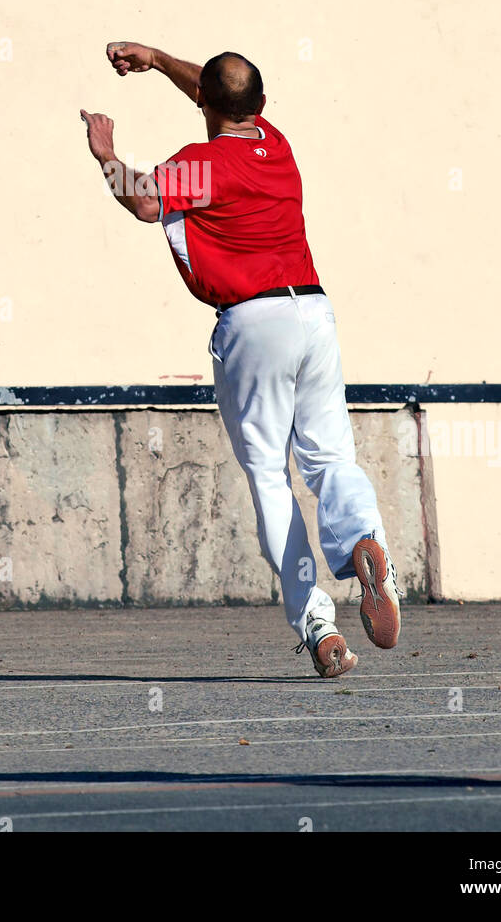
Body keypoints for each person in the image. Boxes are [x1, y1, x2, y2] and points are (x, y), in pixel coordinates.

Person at [80, 43, 400, 677]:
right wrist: (157, 60)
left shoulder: (202, 165)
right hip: (314, 312)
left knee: (270, 477)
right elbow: (215, 89)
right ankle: (363, 539)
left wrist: (106, 153)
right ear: (261, 105)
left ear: (203, 104)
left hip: (254, 322)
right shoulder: (277, 146)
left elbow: (144, 201)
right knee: (331, 458)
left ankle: (319, 628)